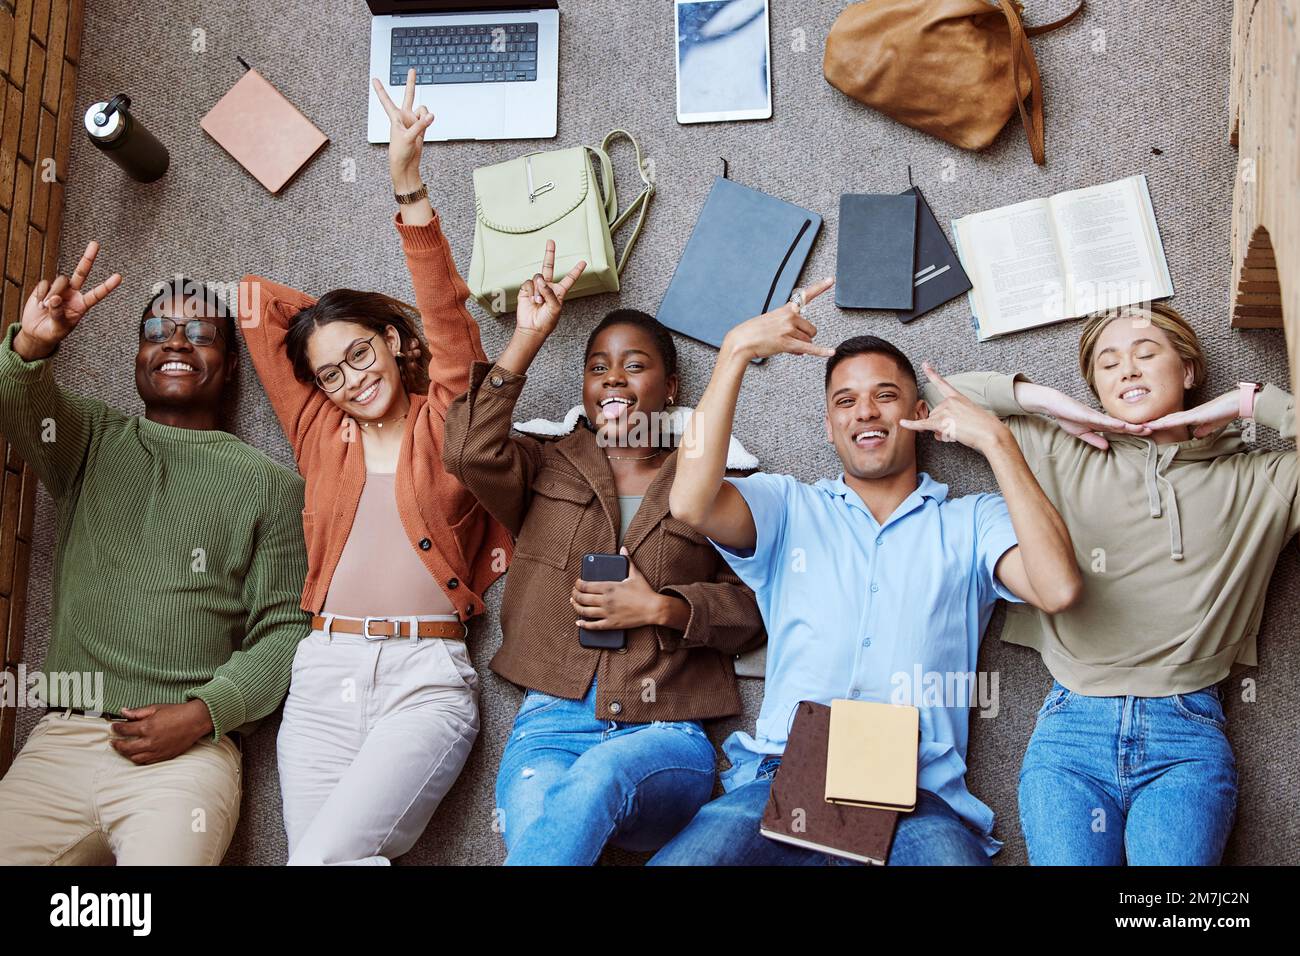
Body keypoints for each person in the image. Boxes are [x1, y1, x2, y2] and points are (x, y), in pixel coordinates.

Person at [648, 279, 1082, 865]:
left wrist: (998, 442)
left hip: (915, 799)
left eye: (885, 396)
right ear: (830, 427)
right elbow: (691, 503)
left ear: (922, 415)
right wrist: (735, 353)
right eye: (845, 402)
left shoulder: (972, 520)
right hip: (779, 781)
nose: (866, 413)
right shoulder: (789, 507)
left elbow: (1058, 587)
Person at [238, 71, 511, 865]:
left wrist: (408, 186)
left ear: (394, 341)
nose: (351, 378)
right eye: (330, 373)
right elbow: (256, 301)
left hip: (425, 679)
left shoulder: (446, 416)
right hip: (324, 674)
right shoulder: (319, 427)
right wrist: (321, 331)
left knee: (317, 864)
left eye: (362, 351)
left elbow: (450, 324)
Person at [921, 302, 1298, 865]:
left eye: (1147, 354)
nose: (1128, 370)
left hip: (1186, 734)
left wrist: (1245, 403)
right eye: (1108, 363)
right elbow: (935, 399)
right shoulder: (1057, 452)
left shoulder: (1259, 478)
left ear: (1189, 370)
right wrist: (1056, 406)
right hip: (1071, 728)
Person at [442, 243, 766, 865]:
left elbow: (753, 609)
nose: (613, 378)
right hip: (551, 725)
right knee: (538, 830)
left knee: (595, 783)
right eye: (598, 367)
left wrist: (661, 608)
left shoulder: (709, 488)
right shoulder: (544, 464)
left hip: (664, 730)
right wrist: (527, 338)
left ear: (670, 388)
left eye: (634, 365)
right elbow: (466, 454)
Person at [0, 250, 309, 865]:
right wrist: (32, 345)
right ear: (138, 358)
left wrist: (203, 713)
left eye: (200, 333)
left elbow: (286, 634)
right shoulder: (88, 438)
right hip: (63, 738)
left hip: (184, 755)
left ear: (228, 370)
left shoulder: (272, 486)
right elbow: (17, 408)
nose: (177, 341)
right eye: (157, 331)